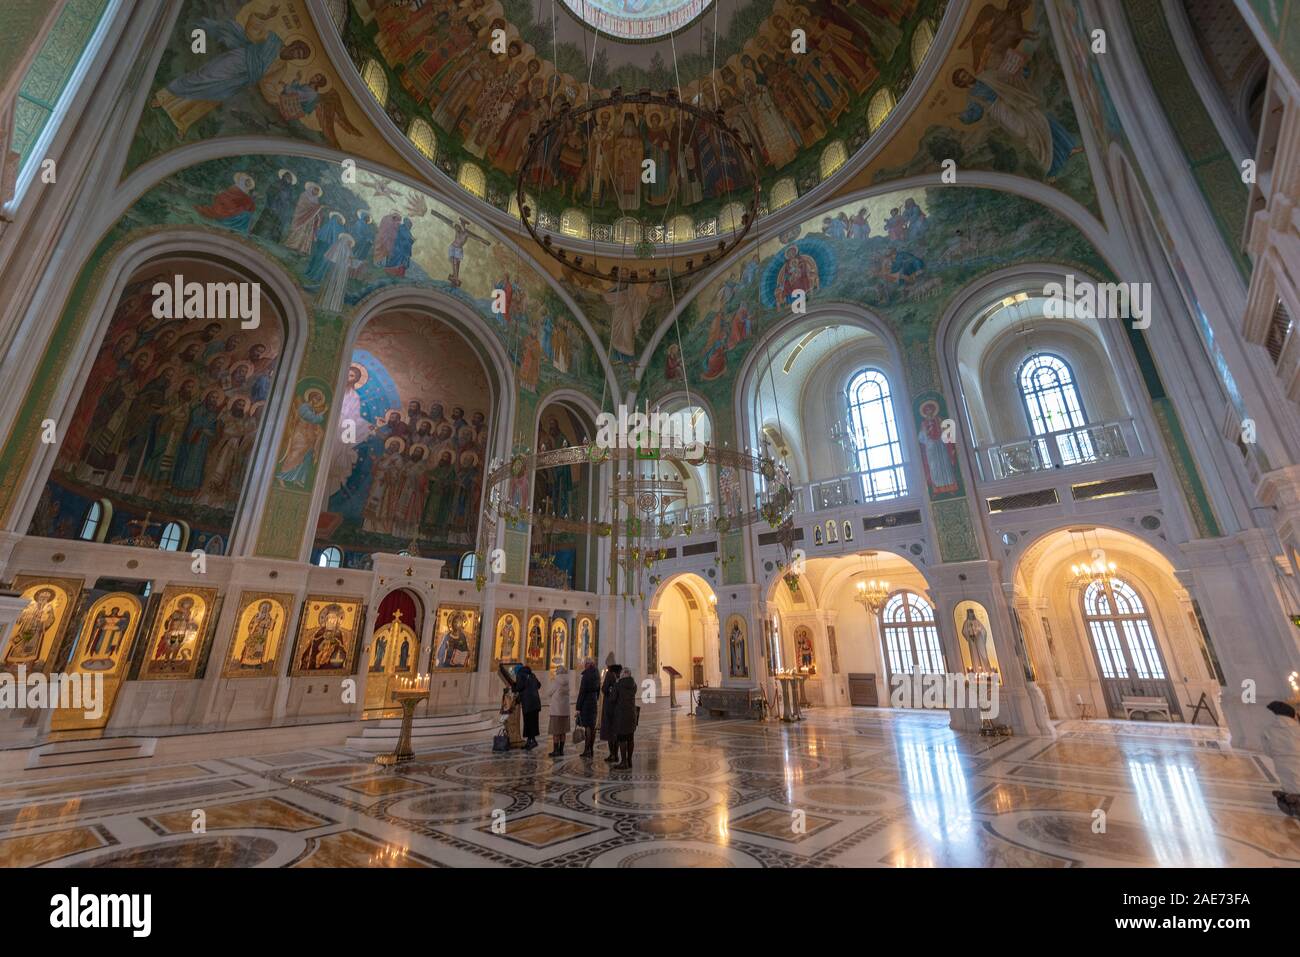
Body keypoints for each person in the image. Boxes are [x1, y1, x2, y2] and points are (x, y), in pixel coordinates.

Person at [1264, 700, 1300, 818]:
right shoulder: (1297, 728)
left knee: (1289, 782)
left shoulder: (1268, 730)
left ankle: (1290, 798)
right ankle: (1294, 800)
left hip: (1281, 763)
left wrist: (1280, 756)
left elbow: (1267, 751)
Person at [611, 666, 639, 771]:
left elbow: (613, 699)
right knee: (630, 738)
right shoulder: (634, 685)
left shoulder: (618, 685)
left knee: (622, 739)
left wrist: (613, 687)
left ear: (622, 675)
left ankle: (623, 762)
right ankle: (629, 760)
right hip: (631, 714)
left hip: (621, 715)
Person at [576, 657, 600, 758]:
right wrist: (596, 699)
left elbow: (582, 692)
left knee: (587, 727)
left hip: (586, 703)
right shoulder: (597, 674)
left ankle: (587, 750)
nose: (584, 666)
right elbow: (598, 690)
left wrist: (578, 707)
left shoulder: (586, 675)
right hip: (593, 702)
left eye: (585, 664)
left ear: (587, 664)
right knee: (592, 726)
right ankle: (591, 749)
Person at [547, 665, 572, 758]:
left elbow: (549, 692)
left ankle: (556, 751)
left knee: (556, 731)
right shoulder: (568, 681)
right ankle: (561, 750)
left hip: (556, 710)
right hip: (565, 711)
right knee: (563, 731)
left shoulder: (556, 680)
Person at [515, 664, 542, 750]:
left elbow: (519, 687)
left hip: (528, 702)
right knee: (533, 722)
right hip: (535, 702)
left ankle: (532, 741)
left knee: (528, 722)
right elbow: (539, 685)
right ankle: (530, 741)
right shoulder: (532, 675)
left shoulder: (520, 675)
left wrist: (514, 687)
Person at [600, 661, 622, 763]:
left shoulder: (609, 674)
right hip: (618, 706)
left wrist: (606, 689)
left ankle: (612, 754)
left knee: (609, 731)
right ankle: (616, 755)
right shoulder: (620, 674)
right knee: (616, 731)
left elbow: (604, 689)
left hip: (609, 706)